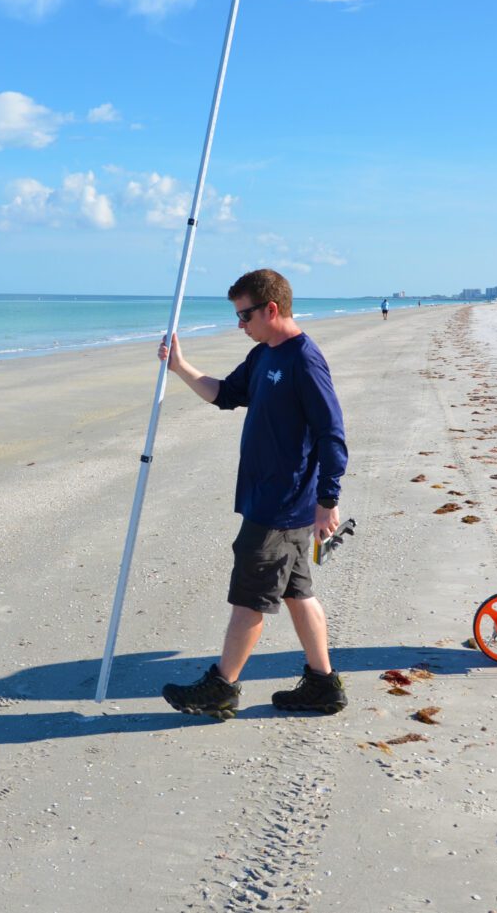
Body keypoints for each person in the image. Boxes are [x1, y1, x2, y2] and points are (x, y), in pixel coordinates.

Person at [157, 269, 350, 718]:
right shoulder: (264, 354)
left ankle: (222, 688)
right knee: (297, 592)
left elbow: (332, 433)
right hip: (273, 499)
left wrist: (328, 500)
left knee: (249, 596)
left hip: (280, 505)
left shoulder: (304, 360)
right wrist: (180, 367)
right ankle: (323, 685)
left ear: (271, 309)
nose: (240, 325)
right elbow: (225, 394)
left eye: (245, 316)